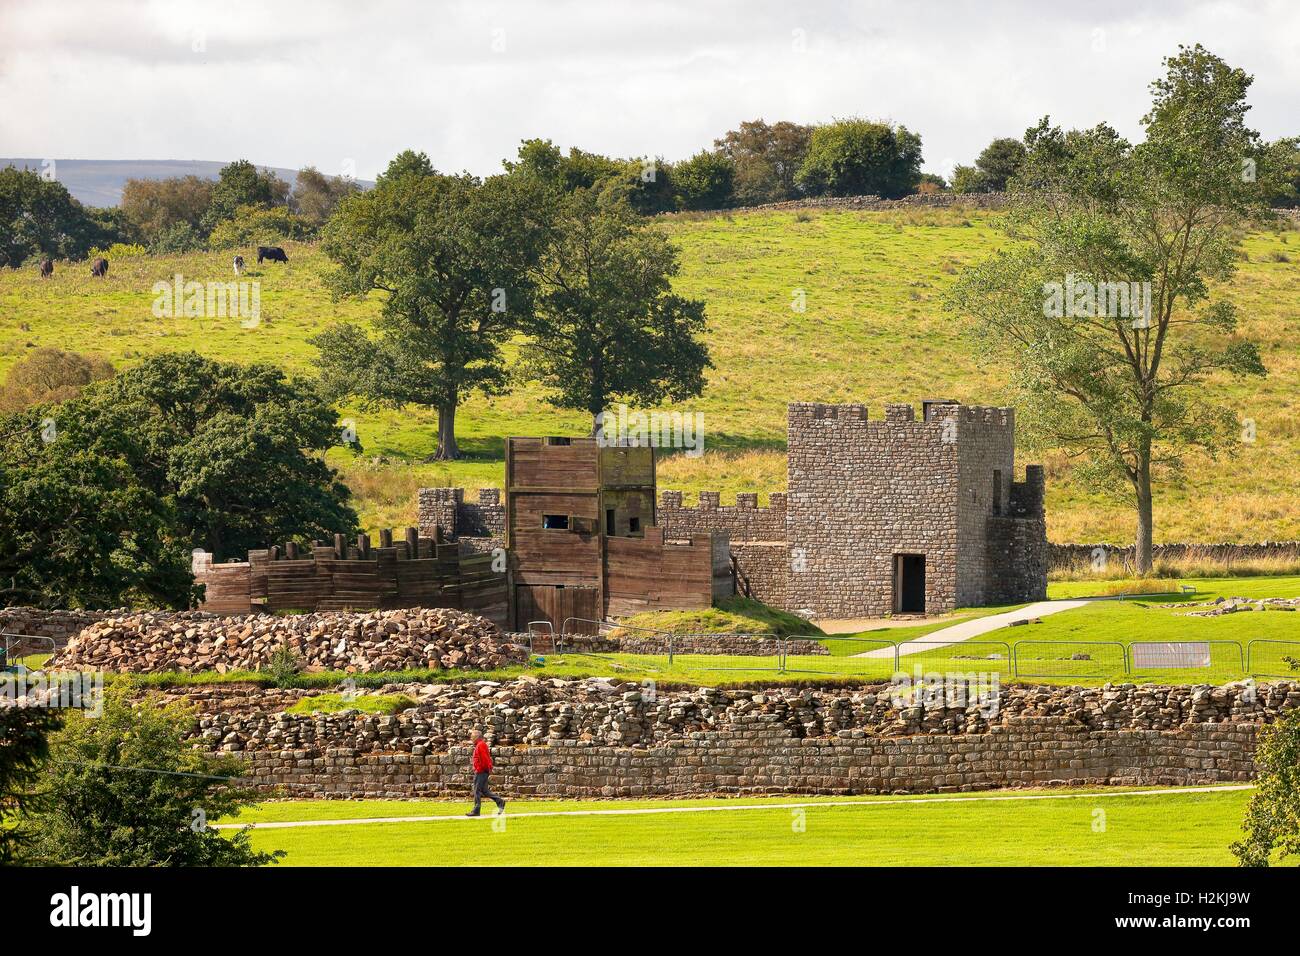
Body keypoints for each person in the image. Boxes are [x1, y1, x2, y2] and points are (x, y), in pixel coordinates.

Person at [466, 727, 506, 817]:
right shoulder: (480, 745)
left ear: (477, 737)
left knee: (477, 790)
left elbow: (484, 759)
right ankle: (500, 801)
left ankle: (476, 810)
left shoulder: (481, 745)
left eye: (472, 737)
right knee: (485, 791)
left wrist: (481, 769)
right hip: (482, 770)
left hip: (481, 771)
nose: (471, 739)